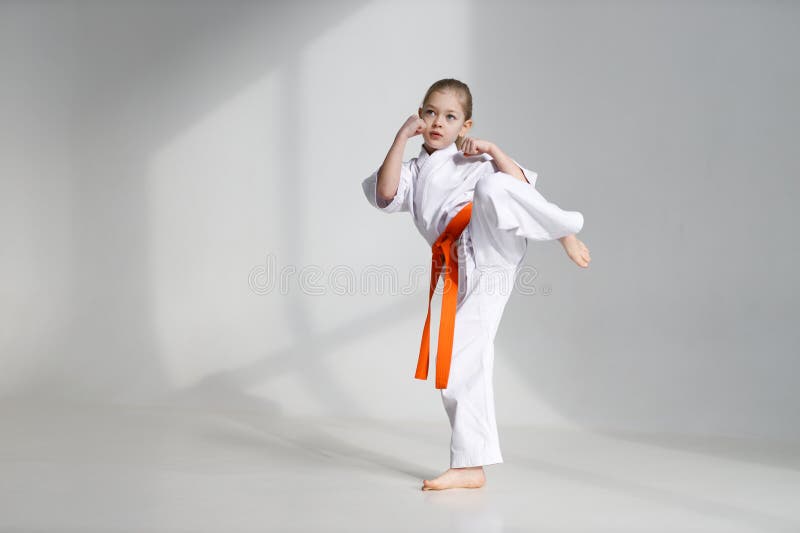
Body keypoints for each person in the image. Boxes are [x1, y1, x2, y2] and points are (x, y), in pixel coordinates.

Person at [360, 78, 591, 490]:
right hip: (461, 269)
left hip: (490, 241)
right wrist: (399, 138)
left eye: (450, 117)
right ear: (420, 114)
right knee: (459, 358)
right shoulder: (413, 170)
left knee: (494, 183)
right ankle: (471, 465)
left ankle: (564, 230)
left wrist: (493, 151)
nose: (437, 122)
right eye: (430, 112)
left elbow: (521, 185)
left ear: (465, 126)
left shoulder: (472, 159)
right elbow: (385, 193)